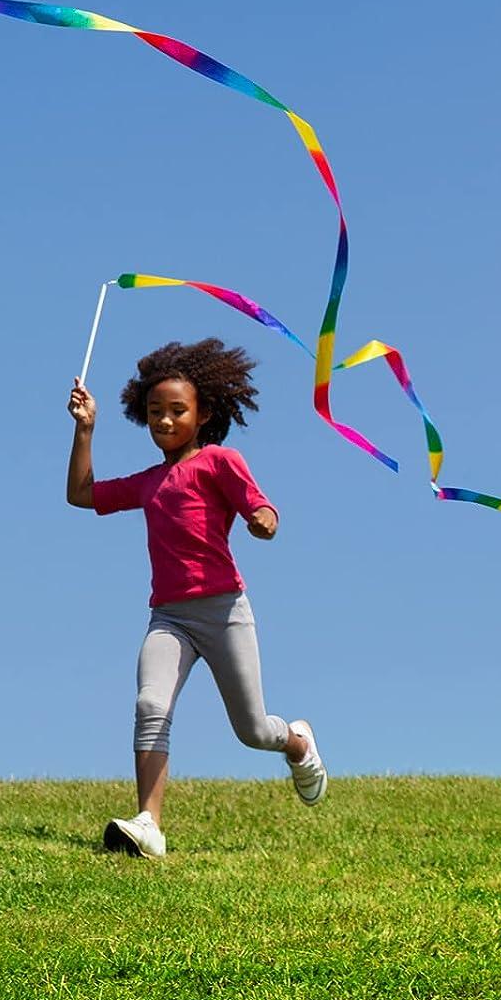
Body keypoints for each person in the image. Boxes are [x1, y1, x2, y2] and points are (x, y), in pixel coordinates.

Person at [66, 338, 327, 858]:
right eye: (154, 411)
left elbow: (260, 507)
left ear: (203, 413)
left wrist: (263, 521)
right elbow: (82, 494)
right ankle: (149, 824)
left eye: (176, 410)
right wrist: (86, 429)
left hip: (224, 611)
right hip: (169, 618)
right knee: (150, 704)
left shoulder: (219, 461)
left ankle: (297, 742)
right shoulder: (148, 482)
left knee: (253, 730)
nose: (164, 420)